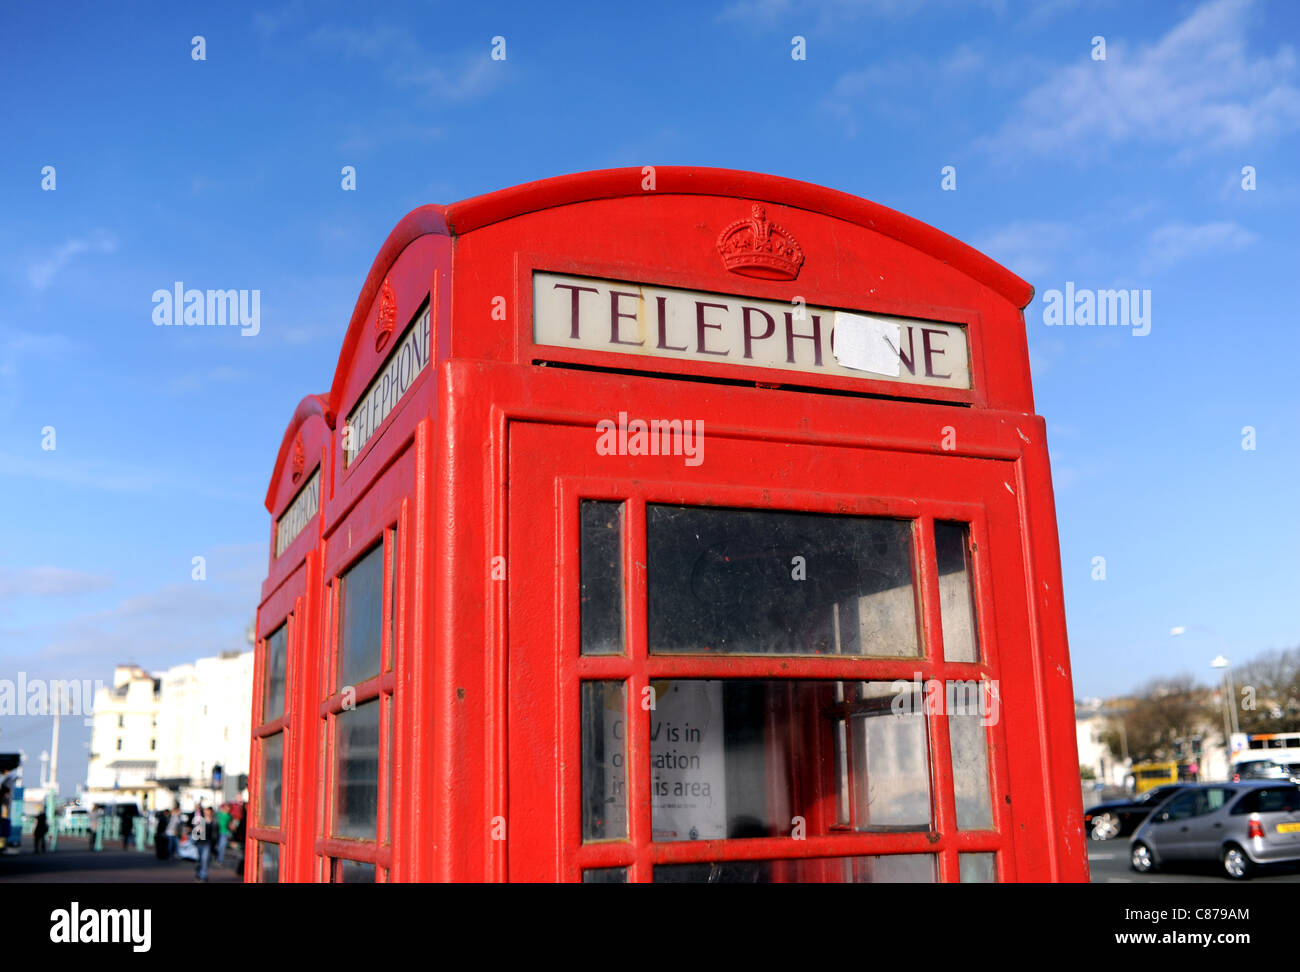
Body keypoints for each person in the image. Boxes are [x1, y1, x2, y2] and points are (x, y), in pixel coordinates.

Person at [193, 805, 215, 881]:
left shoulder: (214, 821)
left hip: (208, 843)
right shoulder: (200, 820)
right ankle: (198, 872)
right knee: (199, 860)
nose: (207, 812)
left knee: (204, 860)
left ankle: (203, 876)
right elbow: (196, 832)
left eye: (208, 811)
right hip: (199, 842)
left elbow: (215, 834)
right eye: (206, 811)